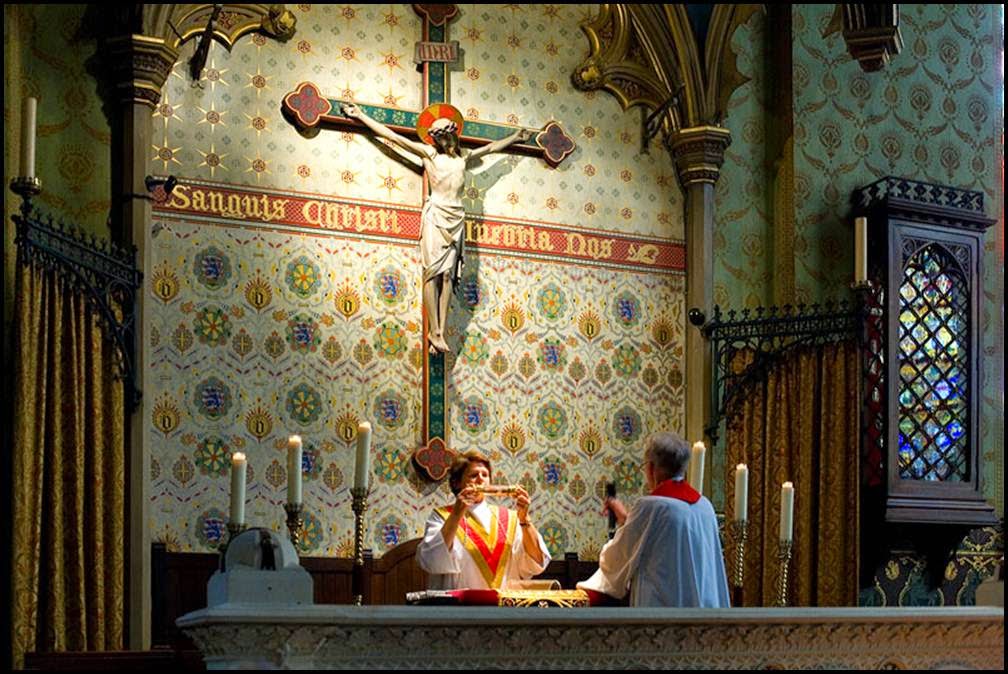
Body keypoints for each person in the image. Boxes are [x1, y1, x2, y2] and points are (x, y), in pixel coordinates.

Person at [341, 102, 532, 353]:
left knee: (448, 275)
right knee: (432, 272)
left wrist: (515, 138)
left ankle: (440, 328)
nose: (443, 140)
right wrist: (361, 116)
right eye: (438, 137)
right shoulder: (429, 155)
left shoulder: (464, 158)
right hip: (436, 216)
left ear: (453, 134)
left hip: (456, 218)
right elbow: (392, 137)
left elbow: (491, 148)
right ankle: (435, 330)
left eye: (445, 135)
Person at [577, 431, 731, 607]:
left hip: (662, 615)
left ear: (651, 468)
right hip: (702, 613)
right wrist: (627, 519)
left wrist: (608, 549)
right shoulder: (705, 506)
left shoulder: (650, 507)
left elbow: (617, 557)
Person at [416, 450, 551, 590]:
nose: (481, 479)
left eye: (485, 475)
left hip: (505, 607)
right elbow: (431, 560)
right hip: (459, 608)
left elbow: (536, 562)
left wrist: (524, 519)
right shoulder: (442, 516)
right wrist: (456, 514)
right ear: (456, 483)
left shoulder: (510, 518)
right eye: (474, 475)